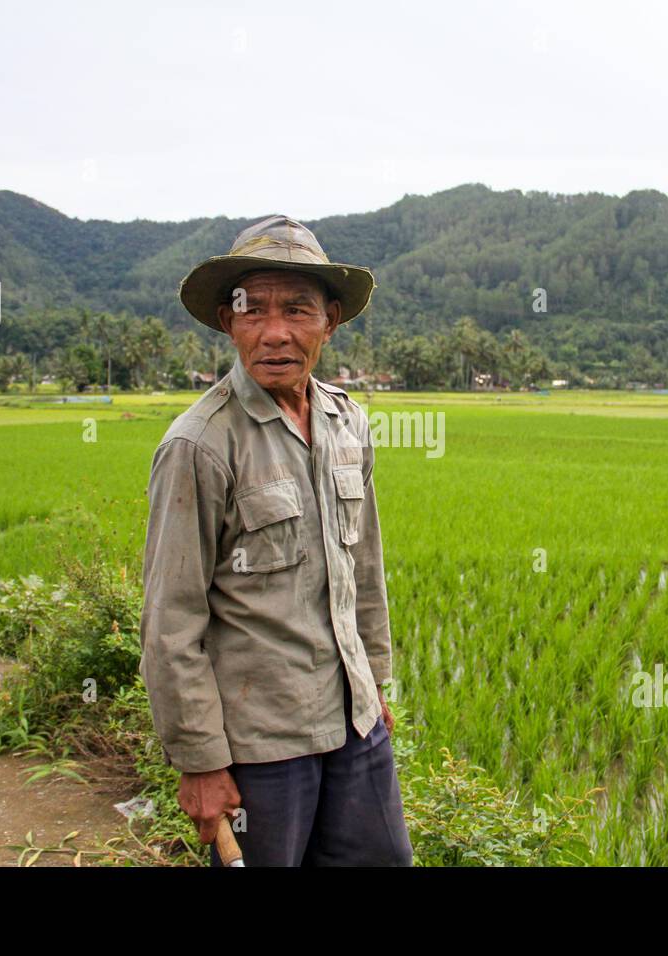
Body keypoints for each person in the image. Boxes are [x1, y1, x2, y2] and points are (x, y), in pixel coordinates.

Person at [139, 215, 413, 866]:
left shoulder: (348, 423)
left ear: (331, 320)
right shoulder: (199, 445)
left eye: (297, 309)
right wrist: (200, 762)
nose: (275, 332)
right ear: (228, 323)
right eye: (252, 309)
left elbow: (364, 572)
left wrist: (376, 687)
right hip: (261, 744)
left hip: (354, 724)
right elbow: (170, 621)